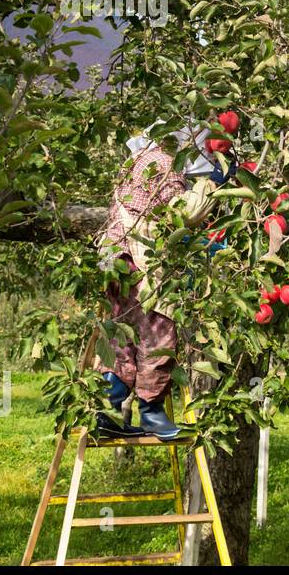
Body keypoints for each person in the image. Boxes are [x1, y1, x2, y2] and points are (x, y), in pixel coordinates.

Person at [95, 123, 229, 439]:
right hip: (137, 255)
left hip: (112, 256)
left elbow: (155, 216)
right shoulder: (165, 163)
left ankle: (105, 407)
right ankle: (151, 411)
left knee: (124, 333)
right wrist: (215, 184)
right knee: (157, 331)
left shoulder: (137, 162)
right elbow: (182, 213)